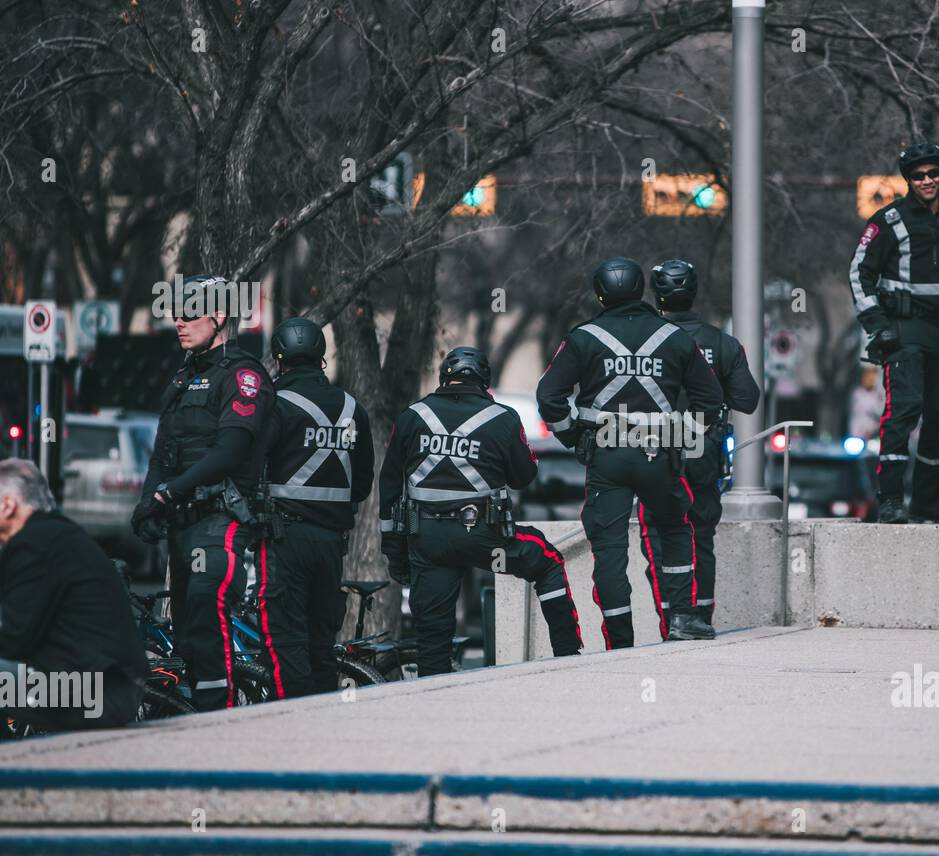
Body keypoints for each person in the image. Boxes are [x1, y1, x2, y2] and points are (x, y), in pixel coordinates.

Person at [537, 256, 723, 647]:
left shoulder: (584, 337)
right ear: (641, 289)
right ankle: (683, 620)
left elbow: (549, 396)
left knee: (609, 547)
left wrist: (573, 438)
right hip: (661, 456)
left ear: (600, 293)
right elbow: (710, 399)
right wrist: (685, 436)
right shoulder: (674, 337)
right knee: (674, 529)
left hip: (607, 458)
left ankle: (620, 641)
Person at [380, 347, 581, 675]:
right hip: (484, 537)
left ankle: (435, 702)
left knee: (432, 640)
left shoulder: (412, 417)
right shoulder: (501, 418)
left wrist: (395, 553)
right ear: (484, 381)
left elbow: (389, 486)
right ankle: (568, 658)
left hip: (427, 540)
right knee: (548, 562)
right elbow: (524, 476)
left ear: (445, 377)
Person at [130, 274, 273, 710]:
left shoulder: (243, 375)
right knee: (188, 627)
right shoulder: (180, 379)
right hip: (182, 523)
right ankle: (189, 716)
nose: (179, 321)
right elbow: (161, 453)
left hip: (220, 519)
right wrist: (148, 502)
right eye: (175, 312)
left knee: (206, 604)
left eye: (190, 312)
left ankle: (219, 719)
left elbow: (231, 450)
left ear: (219, 315)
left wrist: (169, 493)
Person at [850, 142, 939, 524]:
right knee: (904, 411)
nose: (927, 181)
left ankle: (928, 499)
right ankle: (891, 500)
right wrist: (878, 326)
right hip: (904, 330)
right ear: (908, 179)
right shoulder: (889, 220)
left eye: (933, 173)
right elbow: (858, 273)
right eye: (918, 176)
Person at [638, 259, 760, 626]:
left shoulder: (645, 342)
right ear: (693, 292)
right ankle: (700, 616)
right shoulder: (723, 343)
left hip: (654, 453)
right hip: (704, 452)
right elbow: (747, 400)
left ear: (657, 295)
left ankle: (673, 618)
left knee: (660, 536)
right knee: (701, 535)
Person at [258, 317, 374, 698]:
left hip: (283, 539)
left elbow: (250, 463)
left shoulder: (273, 403)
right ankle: (323, 715)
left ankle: (291, 718)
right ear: (320, 357)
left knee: (284, 638)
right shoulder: (352, 408)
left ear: (279, 359)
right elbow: (362, 483)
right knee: (321, 640)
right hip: (330, 543)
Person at [0, 460, 144, 731]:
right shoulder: (57, 534)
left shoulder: (33, 546)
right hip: (110, 686)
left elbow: (14, 639)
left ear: (8, 505)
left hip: (94, 694)